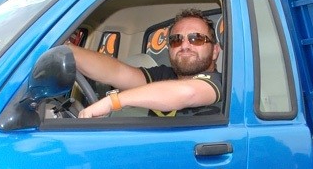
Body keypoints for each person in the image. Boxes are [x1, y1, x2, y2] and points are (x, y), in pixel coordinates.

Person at [67, 9, 222, 118]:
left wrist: (112, 101)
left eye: (196, 38)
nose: (185, 46)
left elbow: (188, 93)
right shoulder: (163, 76)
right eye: (176, 40)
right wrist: (66, 50)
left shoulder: (220, 83)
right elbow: (117, 72)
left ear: (215, 51)